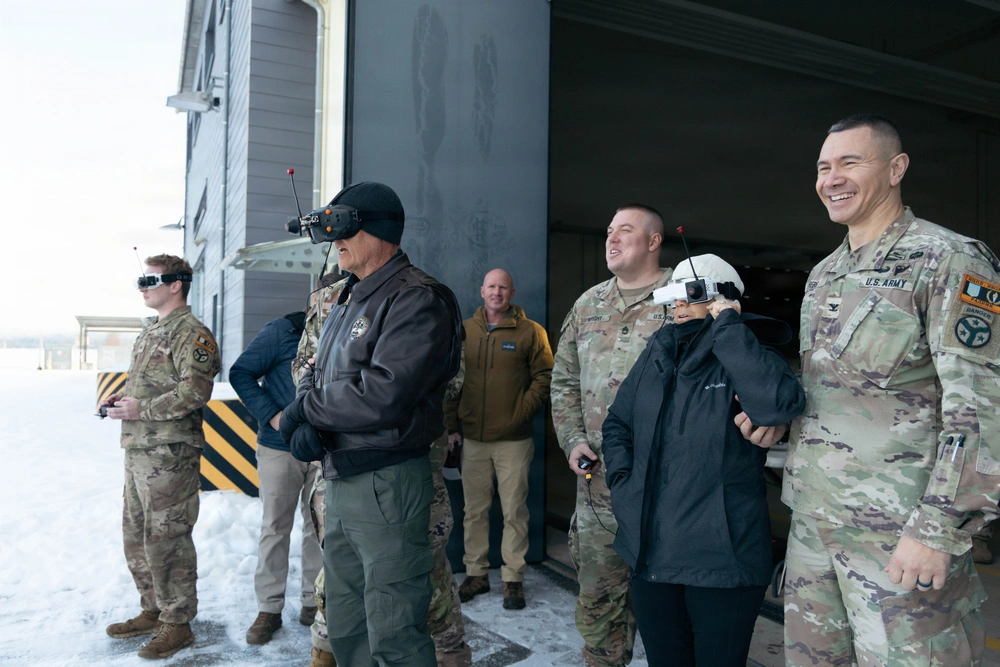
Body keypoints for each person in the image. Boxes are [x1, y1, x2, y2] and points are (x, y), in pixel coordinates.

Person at [783, 113, 1000, 666]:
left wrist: (938, 527)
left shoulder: (950, 259)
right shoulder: (826, 272)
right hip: (815, 522)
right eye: (823, 167)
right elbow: (832, 388)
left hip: (898, 531)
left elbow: (980, 409)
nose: (832, 178)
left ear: (897, 168)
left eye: (850, 162)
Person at [279, 182, 463, 667]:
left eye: (344, 227)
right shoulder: (349, 297)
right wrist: (310, 420)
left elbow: (384, 393)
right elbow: (316, 369)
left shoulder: (416, 298)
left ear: (378, 229)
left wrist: (306, 411)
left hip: (386, 480)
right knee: (346, 616)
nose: (336, 240)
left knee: (394, 625)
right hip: (342, 473)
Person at [602, 254, 805, 666]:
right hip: (650, 556)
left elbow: (776, 405)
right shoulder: (658, 352)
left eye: (690, 294)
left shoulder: (747, 352)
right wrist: (625, 485)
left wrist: (728, 326)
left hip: (722, 562)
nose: (677, 303)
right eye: (673, 293)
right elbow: (617, 424)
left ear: (722, 300)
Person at [550, 204, 672, 667]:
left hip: (665, 492)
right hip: (599, 488)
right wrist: (572, 439)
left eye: (625, 230)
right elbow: (563, 381)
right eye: (608, 232)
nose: (612, 239)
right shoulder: (588, 304)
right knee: (599, 607)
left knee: (667, 614)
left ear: (654, 241)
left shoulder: (682, 299)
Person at [102, 254, 221, 659]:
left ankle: (178, 622)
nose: (142, 286)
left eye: (150, 280)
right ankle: (153, 609)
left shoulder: (193, 334)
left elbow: (195, 393)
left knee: (167, 539)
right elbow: (153, 387)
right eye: (140, 279)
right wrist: (124, 402)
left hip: (170, 455)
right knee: (136, 536)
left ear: (176, 284)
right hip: (139, 451)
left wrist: (142, 410)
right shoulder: (152, 331)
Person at [445, 268, 553, 610]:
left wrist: (522, 410)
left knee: (514, 511)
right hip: (473, 439)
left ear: (512, 292)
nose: (497, 292)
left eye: (503, 287)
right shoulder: (464, 330)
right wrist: (452, 428)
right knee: (473, 512)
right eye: (491, 286)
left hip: (514, 440)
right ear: (481, 291)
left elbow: (545, 374)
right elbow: (452, 380)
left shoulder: (530, 332)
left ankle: (513, 579)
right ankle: (476, 574)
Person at [229, 310, 322, 645]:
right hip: (280, 447)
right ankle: (269, 608)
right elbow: (241, 373)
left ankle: (315, 603)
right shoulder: (283, 330)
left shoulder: (350, 327)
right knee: (275, 526)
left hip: (326, 449)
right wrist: (273, 417)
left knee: (319, 528)